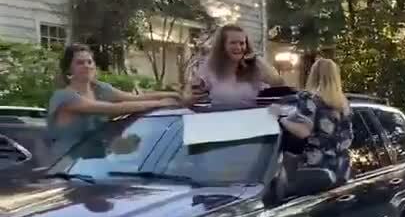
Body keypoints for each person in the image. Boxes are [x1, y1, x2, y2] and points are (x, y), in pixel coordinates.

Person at [46, 44, 181, 153]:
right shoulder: (63, 97)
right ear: (69, 69)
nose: (87, 66)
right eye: (80, 63)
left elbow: (135, 98)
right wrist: (159, 104)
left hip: (93, 160)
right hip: (65, 162)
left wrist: (175, 96)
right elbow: (113, 108)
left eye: (89, 62)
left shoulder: (99, 88)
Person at [269, 58, 353, 193]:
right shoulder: (344, 104)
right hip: (342, 172)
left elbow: (303, 131)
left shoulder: (310, 100)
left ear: (313, 75)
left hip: (316, 173)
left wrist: (280, 118)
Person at [187, 24, 284, 107]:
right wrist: (190, 98)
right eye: (233, 43)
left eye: (242, 43)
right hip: (219, 119)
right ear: (222, 46)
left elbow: (279, 85)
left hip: (252, 119)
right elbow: (193, 95)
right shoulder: (209, 65)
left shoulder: (256, 64)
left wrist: (261, 64)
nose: (238, 47)